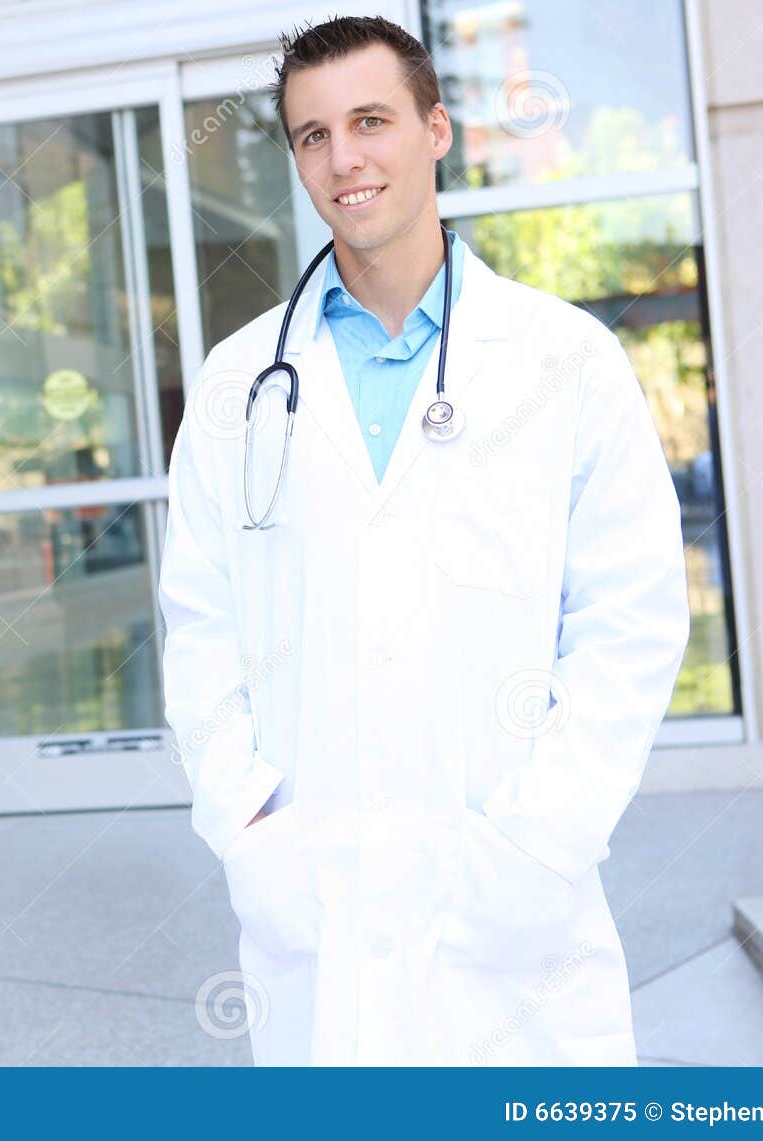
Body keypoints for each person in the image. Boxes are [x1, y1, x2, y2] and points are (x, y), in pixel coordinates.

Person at [157, 16, 690, 1065]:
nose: (343, 159)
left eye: (370, 121)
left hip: (515, 904)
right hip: (313, 895)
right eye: (313, 135)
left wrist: (539, 840)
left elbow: (629, 620)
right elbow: (200, 621)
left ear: (436, 130)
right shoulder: (238, 382)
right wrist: (248, 820)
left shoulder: (564, 359)